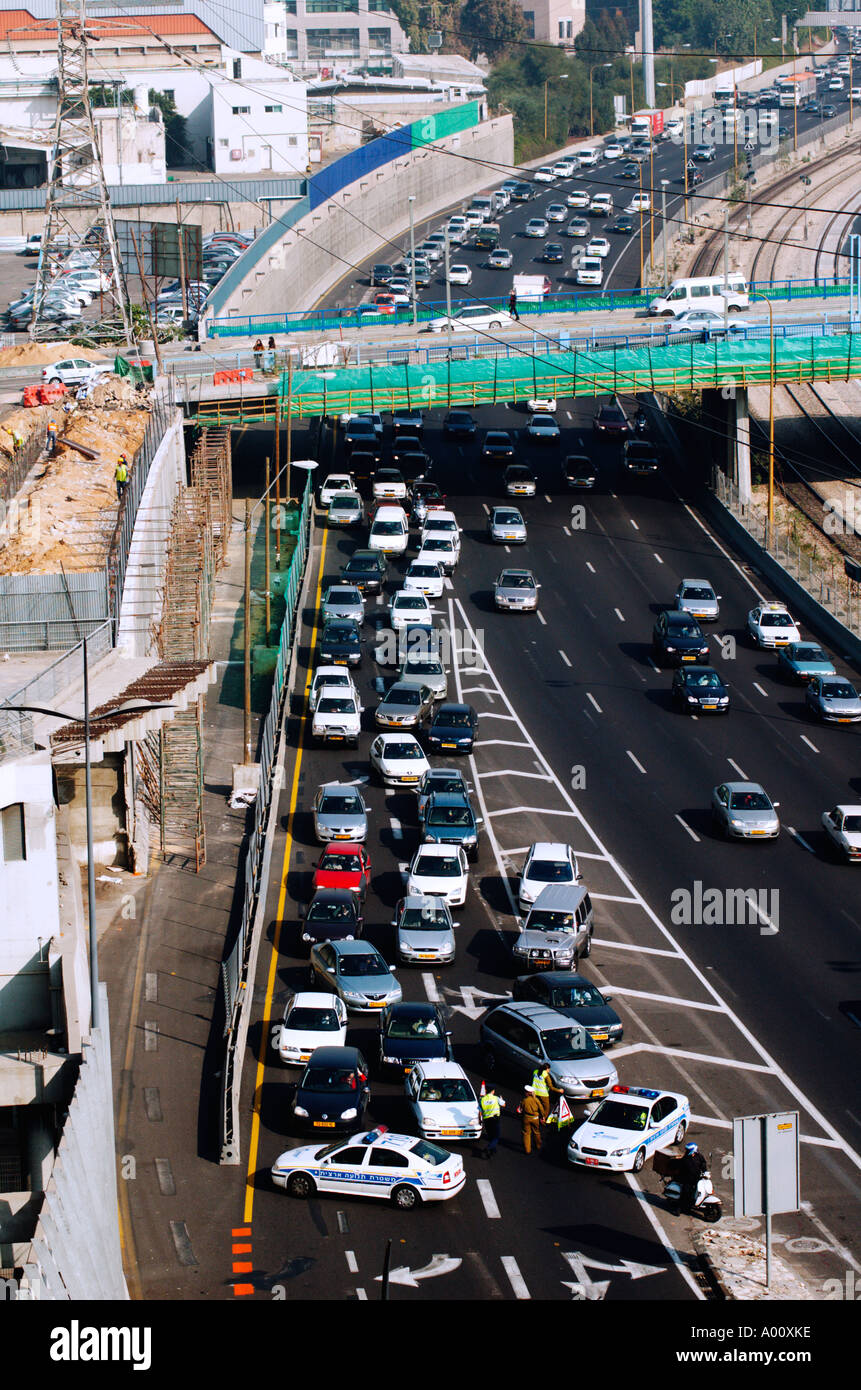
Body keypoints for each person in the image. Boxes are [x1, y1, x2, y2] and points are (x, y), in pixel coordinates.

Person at [677, 1142, 708, 1213]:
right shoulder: (685, 1158)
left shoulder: (699, 1156)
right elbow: (681, 1168)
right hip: (687, 1179)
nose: (686, 1151)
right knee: (686, 1192)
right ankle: (679, 1209)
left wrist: (705, 1171)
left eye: (687, 1150)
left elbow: (703, 1164)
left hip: (697, 1178)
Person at [480, 1084, 505, 1159]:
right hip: (494, 1120)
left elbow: (480, 1111)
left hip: (486, 1120)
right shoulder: (496, 1098)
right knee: (496, 1137)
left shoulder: (482, 1099)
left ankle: (492, 1151)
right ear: (493, 1091)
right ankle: (488, 1148)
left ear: (486, 1090)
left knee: (491, 1136)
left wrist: (480, 1120)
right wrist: (502, 1099)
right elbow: (504, 1105)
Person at [519, 1084, 543, 1155]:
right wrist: (543, 1117)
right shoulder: (536, 1100)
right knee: (536, 1132)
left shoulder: (524, 1101)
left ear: (527, 1093)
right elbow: (541, 1109)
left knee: (526, 1134)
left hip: (526, 1118)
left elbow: (521, 1109)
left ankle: (527, 1150)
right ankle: (538, 1145)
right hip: (535, 1118)